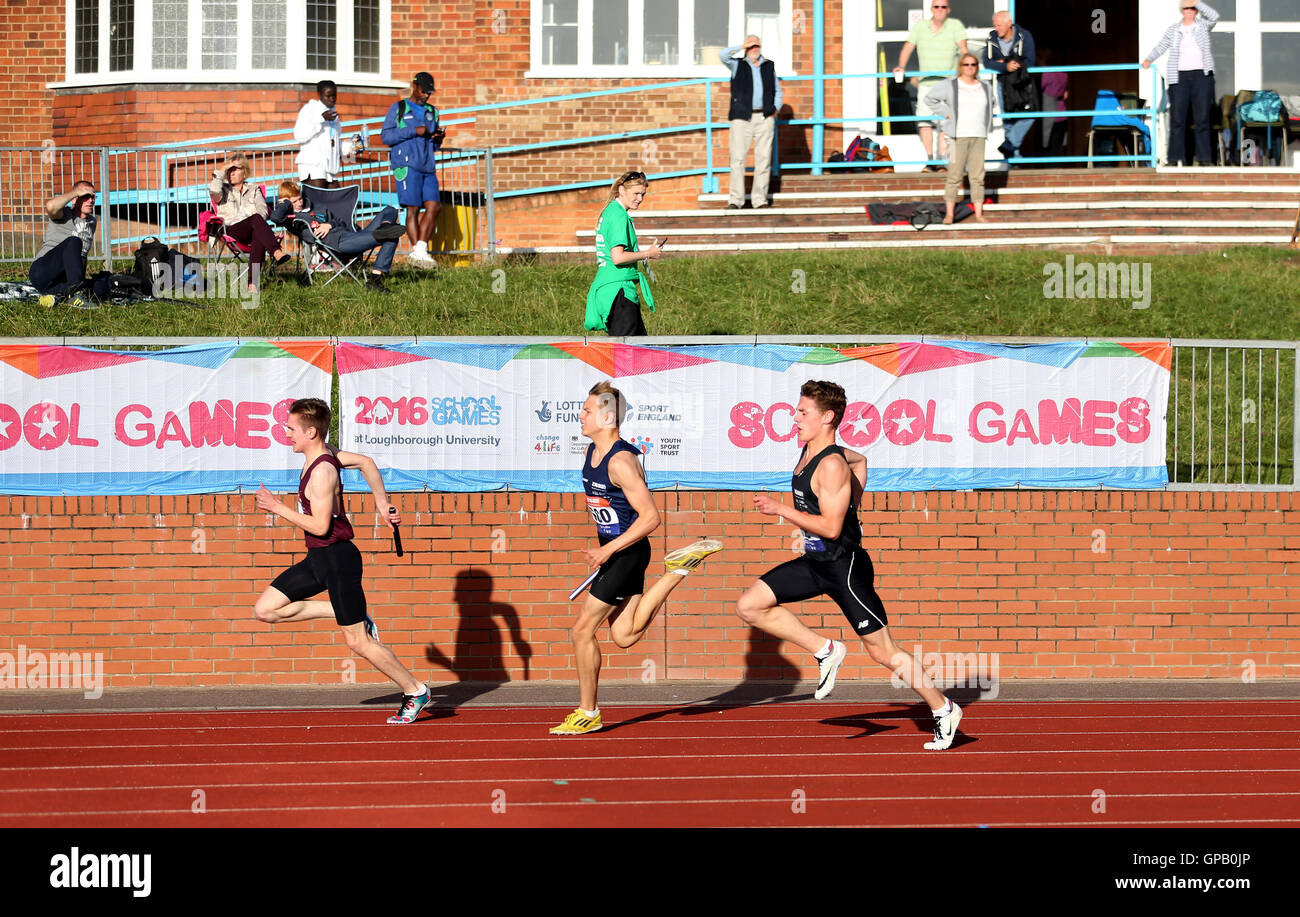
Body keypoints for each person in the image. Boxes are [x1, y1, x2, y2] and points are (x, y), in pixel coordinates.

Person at [735, 380, 964, 751]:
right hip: (815, 562)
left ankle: (943, 708)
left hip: (845, 568)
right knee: (749, 605)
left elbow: (830, 526)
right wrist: (857, 493)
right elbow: (862, 460)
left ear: (827, 417)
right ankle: (826, 650)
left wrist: (781, 510)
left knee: (881, 651)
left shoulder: (830, 466)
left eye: (803, 412)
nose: (794, 418)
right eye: (797, 410)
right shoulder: (818, 452)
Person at [551, 381, 723, 735]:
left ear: (607, 416)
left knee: (582, 631)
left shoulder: (622, 462)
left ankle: (588, 712)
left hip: (625, 554)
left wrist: (607, 550)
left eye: (586, 411)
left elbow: (650, 517)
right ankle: (677, 571)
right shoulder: (593, 452)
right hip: (620, 553)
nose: (579, 416)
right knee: (624, 635)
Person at [253, 397, 434, 725]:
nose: (286, 432)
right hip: (318, 558)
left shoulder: (322, 470)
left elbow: (321, 526)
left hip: (338, 560)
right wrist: (382, 503)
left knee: (358, 642)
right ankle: (349, 613)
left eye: (291, 428)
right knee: (265, 609)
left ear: (310, 432)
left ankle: (415, 690)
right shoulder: (328, 453)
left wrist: (278, 508)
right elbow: (366, 462)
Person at [272, 181, 406, 293]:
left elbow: (340, 222)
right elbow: (275, 218)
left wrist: (328, 225)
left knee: (390, 211)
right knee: (391, 236)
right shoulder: (292, 218)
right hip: (338, 243)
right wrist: (285, 204)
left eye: (300, 198)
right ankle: (375, 280)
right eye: (294, 202)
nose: (299, 203)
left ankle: (385, 227)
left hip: (351, 235)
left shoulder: (317, 207)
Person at [584, 171, 662, 337]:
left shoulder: (611, 211)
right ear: (621, 190)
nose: (640, 199)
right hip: (618, 291)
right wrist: (648, 253)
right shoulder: (618, 215)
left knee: (640, 348)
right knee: (627, 352)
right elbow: (618, 257)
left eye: (643, 194)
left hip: (610, 289)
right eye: (636, 194)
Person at [1143, 2, 1220, 167]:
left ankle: (1204, 158)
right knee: (1177, 119)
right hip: (1179, 78)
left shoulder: (1203, 26)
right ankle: (1174, 158)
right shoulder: (1173, 29)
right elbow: (1161, 45)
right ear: (1181, 11)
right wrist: (1149, 59)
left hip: (1202, 75)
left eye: (1192, 9)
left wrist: (1197, 2)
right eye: (1186, 8)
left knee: (1202, 119)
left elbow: (1214, 16)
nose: (1190, 12)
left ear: (1196, 11)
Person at [894, 1, 968, 171]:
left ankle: (942, 161)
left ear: (948, 9)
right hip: (926, 83)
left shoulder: (955, 26)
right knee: (924, 122)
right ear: (931, 10)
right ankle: (930, 160)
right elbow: (908, 47)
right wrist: (901, 67)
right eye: (936, 7)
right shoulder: (920, 27)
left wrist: (968, 69)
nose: (940, 10)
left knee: (946, 123)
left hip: (948, 82)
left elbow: (963, 49)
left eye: (943, 7)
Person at [381, 72, 445, 266]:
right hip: (407, 166)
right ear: (414, 86)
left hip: (427, 165)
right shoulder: (399, 108)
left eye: (430, 92)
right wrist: (414, 130)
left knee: (434, 206)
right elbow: (387, 137)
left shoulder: (433, 112)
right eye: (424, 91)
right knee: (413, 209)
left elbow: (432, 145)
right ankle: (419, 253)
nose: (427, 95)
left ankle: (419, 251)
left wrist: (438, 140)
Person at [925, 53, 997, 223]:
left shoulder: (985, 86)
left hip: (978, 136)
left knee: (977, 176)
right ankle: (949, 214)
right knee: (954, 175)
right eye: (966, 64)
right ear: (960, 66)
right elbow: (930, 99)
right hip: (956, 137)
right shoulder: (951, 85)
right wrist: (947, 114)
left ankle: (979, 214)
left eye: (973, 64)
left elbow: (992, 103)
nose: (970, 67)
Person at [208, 153, 291, 292]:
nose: (231, 172)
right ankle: (275, 251)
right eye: (229, 169)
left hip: (253, 228)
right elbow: (214, 193)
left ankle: (252, 285)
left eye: (235, 169)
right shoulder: (223, 189)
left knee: (257, 231)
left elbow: (263, 209)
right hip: (231, 230)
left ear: (244, 173)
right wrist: (222, 169)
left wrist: (253, 218)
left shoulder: (254, 189)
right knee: (256, 220)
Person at [720, 35, 783, 209]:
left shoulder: (769, 65)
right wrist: (741, 46)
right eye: (751, 45)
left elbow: (777, 90)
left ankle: (759, 200)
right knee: (737, 159)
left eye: (757, 45)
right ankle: (736, 200)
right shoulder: (737, 64)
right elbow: (723, 55)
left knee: (763, 159)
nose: (755, 48)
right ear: (747, 47)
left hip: (764, 117)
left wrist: (775, 110)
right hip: (741, 118)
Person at [30, 181, 97, 308]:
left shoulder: (92, 222)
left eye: (92, 196)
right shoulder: (64, 214)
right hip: (42, 271)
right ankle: (76, 293)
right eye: (85, 196)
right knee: (74, 241)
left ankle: (55, 295)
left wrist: (81, 278)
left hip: (63, 280)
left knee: (100, 287)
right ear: (74, 199)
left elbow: (83, 255)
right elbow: (50, 206)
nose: (90, 200)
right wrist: (76, 192)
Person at [982, 11, 1038, 162]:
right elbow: (987, 61)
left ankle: (1009, 145)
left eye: (999, 25)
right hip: (1003, 83)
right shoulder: (991, 37)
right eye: (995, 25)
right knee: (1008, 119)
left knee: (1030, 115)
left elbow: (1030, 60)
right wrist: (1006, 66)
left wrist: (1010, 62)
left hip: (1022, 83)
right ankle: (1014, 159)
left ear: (1009, 23)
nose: (996, 28)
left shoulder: (1024, 36)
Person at [294, 80, 342, 188]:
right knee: (317, 202)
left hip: (330, 168)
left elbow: (334, 142)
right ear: (319, 95)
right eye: (328, 96)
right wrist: (321, 118)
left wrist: (353, 147)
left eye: (334, 96)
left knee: (337, 201)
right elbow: (299, 136)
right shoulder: (309, 110)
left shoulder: (333, 114)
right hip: (313, 166)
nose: (332, 99)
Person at [1038, 48, 1069, 158]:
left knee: (1047, 148)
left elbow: (1039, 89)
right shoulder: (1063, 74)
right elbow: (1065, 93)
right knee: (1057, 147)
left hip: (1049, 114)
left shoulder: (1046, 74)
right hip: (1062, 114)